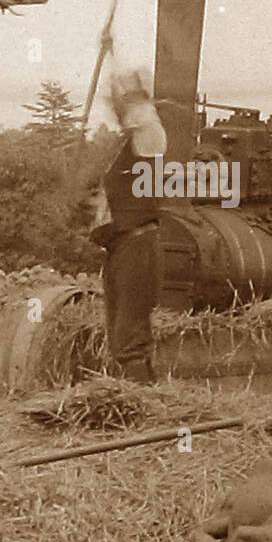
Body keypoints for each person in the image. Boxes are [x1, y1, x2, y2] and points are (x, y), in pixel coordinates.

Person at [87, 70, 167, 383]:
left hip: (138, 245)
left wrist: (128, 88)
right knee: (120, 334)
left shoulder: (149, 140)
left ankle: (140, 399)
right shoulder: (122, 153)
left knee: (130, 333)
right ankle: (139, 394)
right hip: (120, 247)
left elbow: (142, 117)